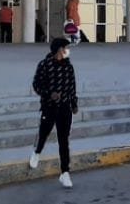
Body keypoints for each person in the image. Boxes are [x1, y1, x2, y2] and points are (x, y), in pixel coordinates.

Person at [29, 38, 79, 188]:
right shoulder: (45, 65)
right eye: (65, 48)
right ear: (58, 49)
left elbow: (72, 87)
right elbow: (36, 84)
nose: (67, 51)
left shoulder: (69, 67)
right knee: (44, 132)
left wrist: (74, 104)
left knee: (64, 141)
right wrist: (49, 94)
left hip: (65, 108)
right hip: (49, 107)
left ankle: (65, 173)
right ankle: (37, 152)